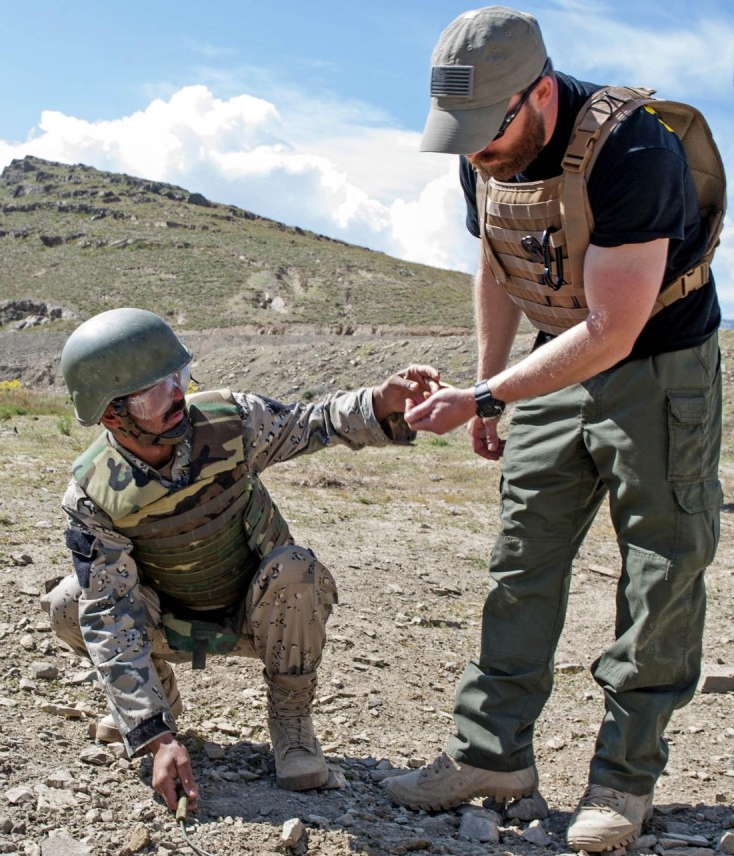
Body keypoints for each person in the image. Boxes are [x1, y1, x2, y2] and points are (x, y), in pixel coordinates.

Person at [390, 6, 724, 853]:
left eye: (485, 132)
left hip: (658, 364)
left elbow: (614, 327)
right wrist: (486, 379)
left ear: (537, 92)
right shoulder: (486, 147)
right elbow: (498, 263)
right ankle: (491, 755)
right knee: (521, 557)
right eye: (458, 136)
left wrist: (490, 397)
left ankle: (624, 778)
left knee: (660, 569)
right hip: (551, 361)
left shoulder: (634, 150)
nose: (474, 153)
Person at [43, 307, 439, 811]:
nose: (176, 396)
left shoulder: (231, 421)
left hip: (259, 613)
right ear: (110, 414)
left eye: (177, 378)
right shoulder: (92, 495)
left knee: (297, 569)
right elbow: (111, 613)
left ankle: (292, 726)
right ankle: (160, 708)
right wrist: (152, 734)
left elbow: (312, 422)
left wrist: (381, 402)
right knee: (70, 605)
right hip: (170, 622)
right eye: (153, 392)